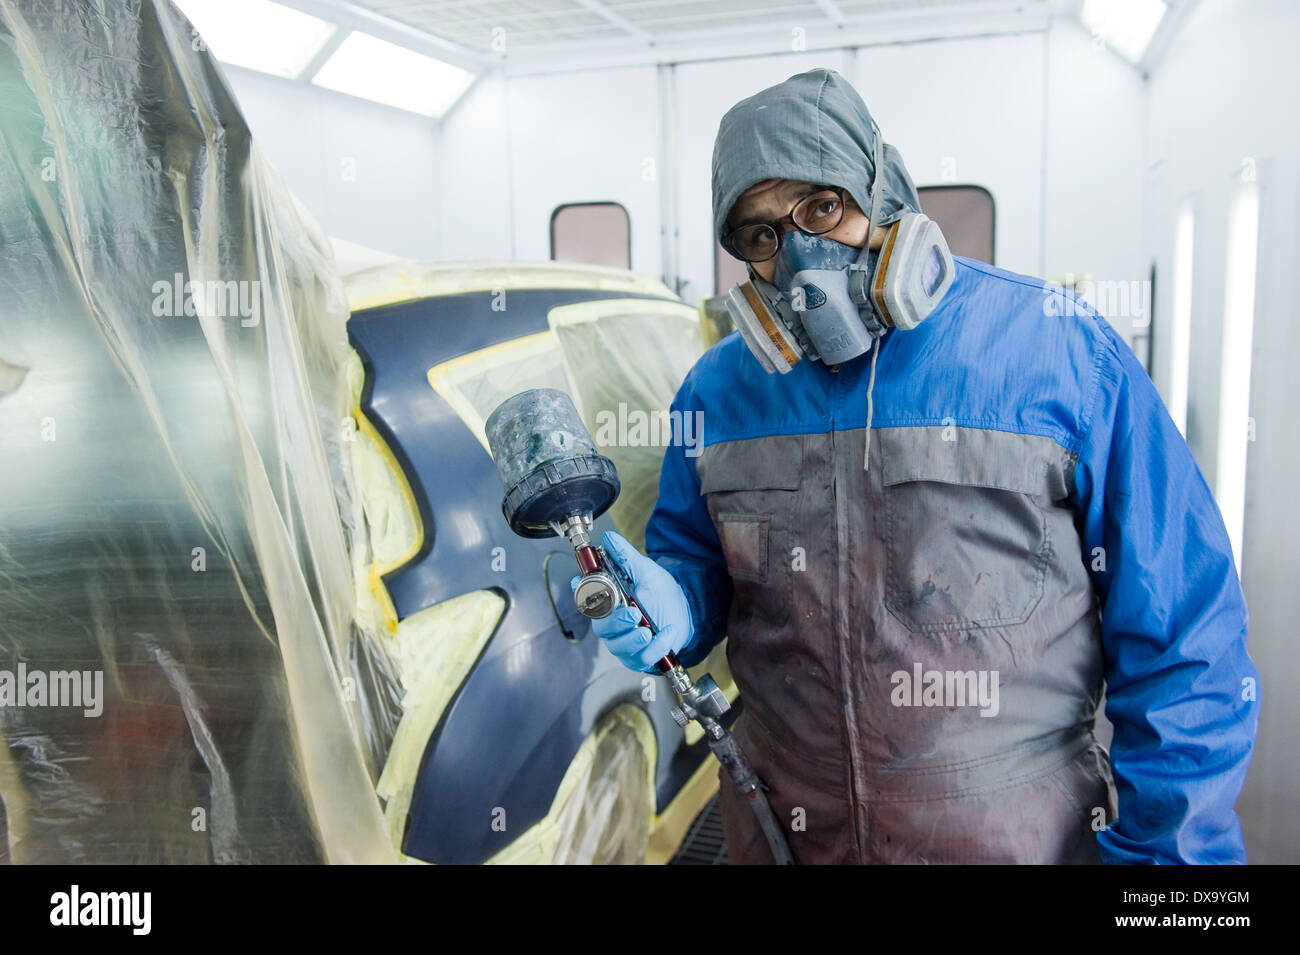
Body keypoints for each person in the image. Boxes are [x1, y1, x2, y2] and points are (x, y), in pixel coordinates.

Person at [579, 68, 1258, 864]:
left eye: (822, 207)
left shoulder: (1059, 353)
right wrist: (678, 608)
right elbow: (701, 569)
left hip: (1019, 842)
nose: (800, 255)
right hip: (785, 837)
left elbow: (1186, 641)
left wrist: (1164, 867)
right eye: (762, 235)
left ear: (887, 189)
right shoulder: (721, 391)